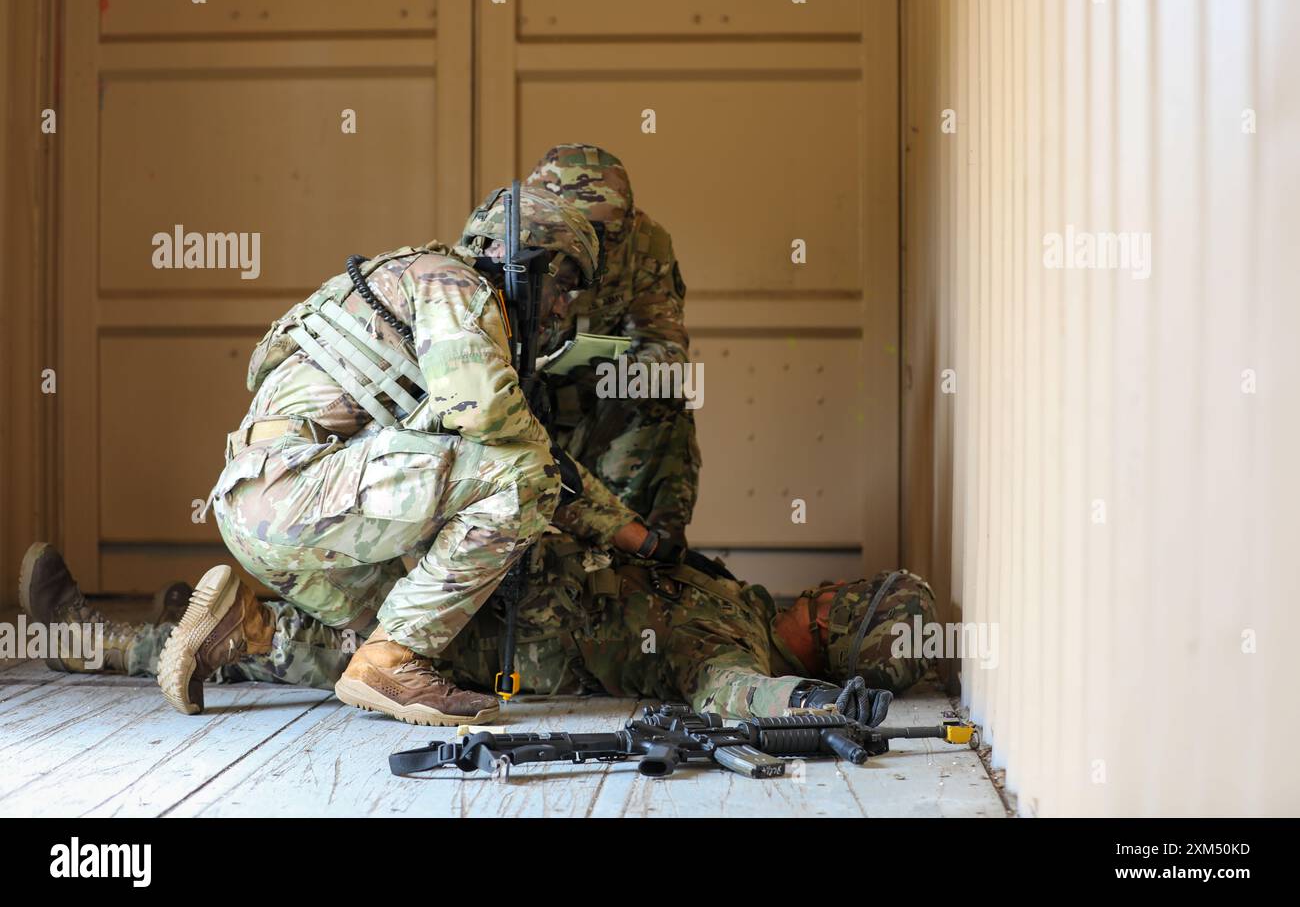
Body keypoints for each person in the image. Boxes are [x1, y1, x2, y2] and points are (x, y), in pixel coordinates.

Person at [157, 184, 648, 727]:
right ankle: (389, 663)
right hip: (298, 494)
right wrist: (546, 466)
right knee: (524, 475)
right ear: (530, 258)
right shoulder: (452, 281)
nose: (562, 305)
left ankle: (243, 626)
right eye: (567, 282)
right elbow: (484, 416)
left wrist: (628, 530)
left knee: (434, 617)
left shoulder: (404, 281)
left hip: (266, 508)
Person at [19, 532, 938, 724]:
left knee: (303, 644)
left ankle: (102, 635)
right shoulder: (737, 600)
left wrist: (806, 703)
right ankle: (167, 620)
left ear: (828, 625)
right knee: (336, 607)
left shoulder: (732, 648)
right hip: (507, 585)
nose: (824, 587)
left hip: (504, 651)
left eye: (836, 599)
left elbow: (727, 694)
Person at [525, 144, 701, 545]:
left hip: (594, 405)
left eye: (605, 241)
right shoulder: (505, 238)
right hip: (520, 412)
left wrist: (611, 373)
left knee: (671, 390)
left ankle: (641, 551)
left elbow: (665, 346)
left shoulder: (645, 245)